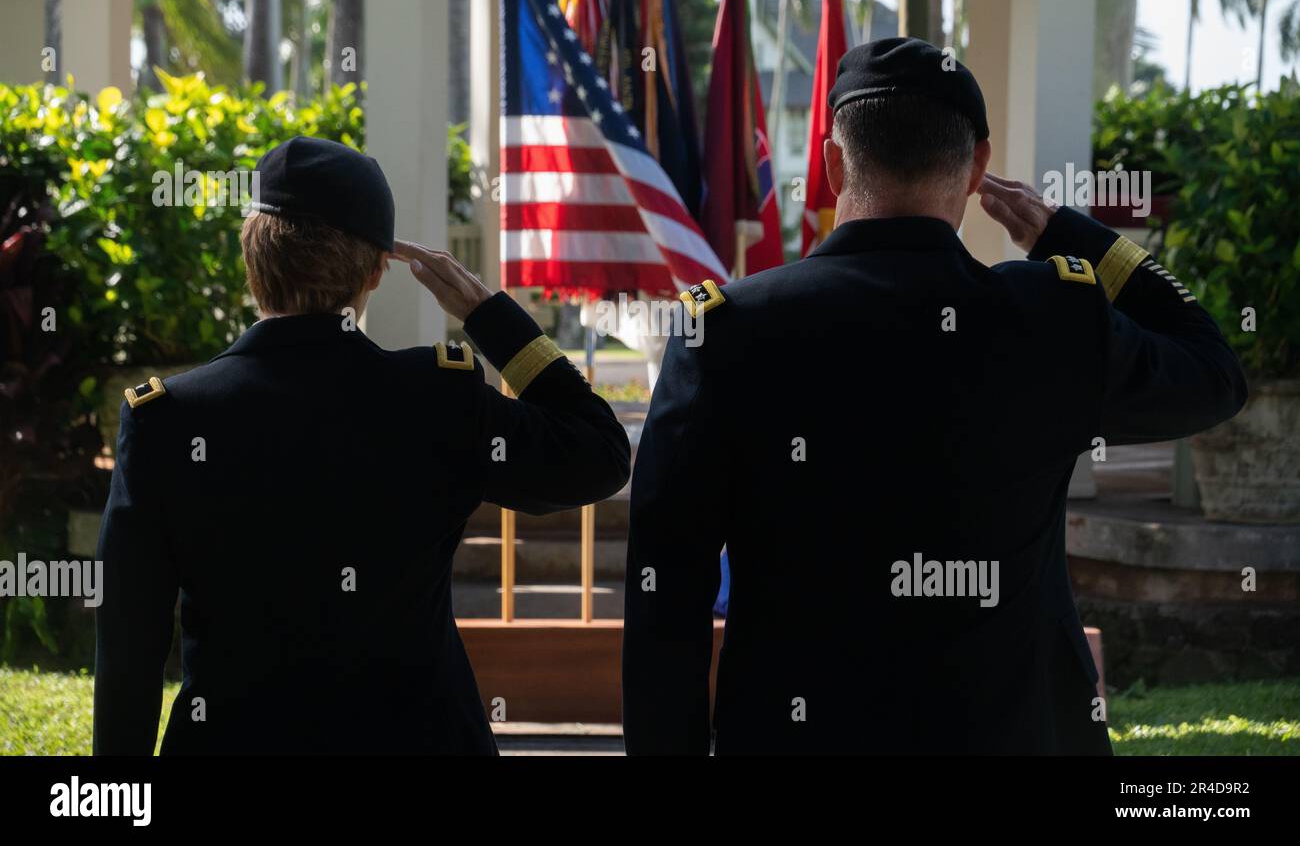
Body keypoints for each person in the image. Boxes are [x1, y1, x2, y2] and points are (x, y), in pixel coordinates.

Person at [622, 37, 1247, 755]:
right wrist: (1066, 233)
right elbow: (1214, 371)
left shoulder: (726, 331)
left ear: (830, 165)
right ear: (979, 164)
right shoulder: (1051, 318)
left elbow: (665, 592)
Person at [94, 136, 630, 755]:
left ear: (250, 260)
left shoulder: (167, 419)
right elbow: (600, 455)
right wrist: (490, 316)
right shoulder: (437, 397)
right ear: (378, 268)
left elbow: (128, 645)